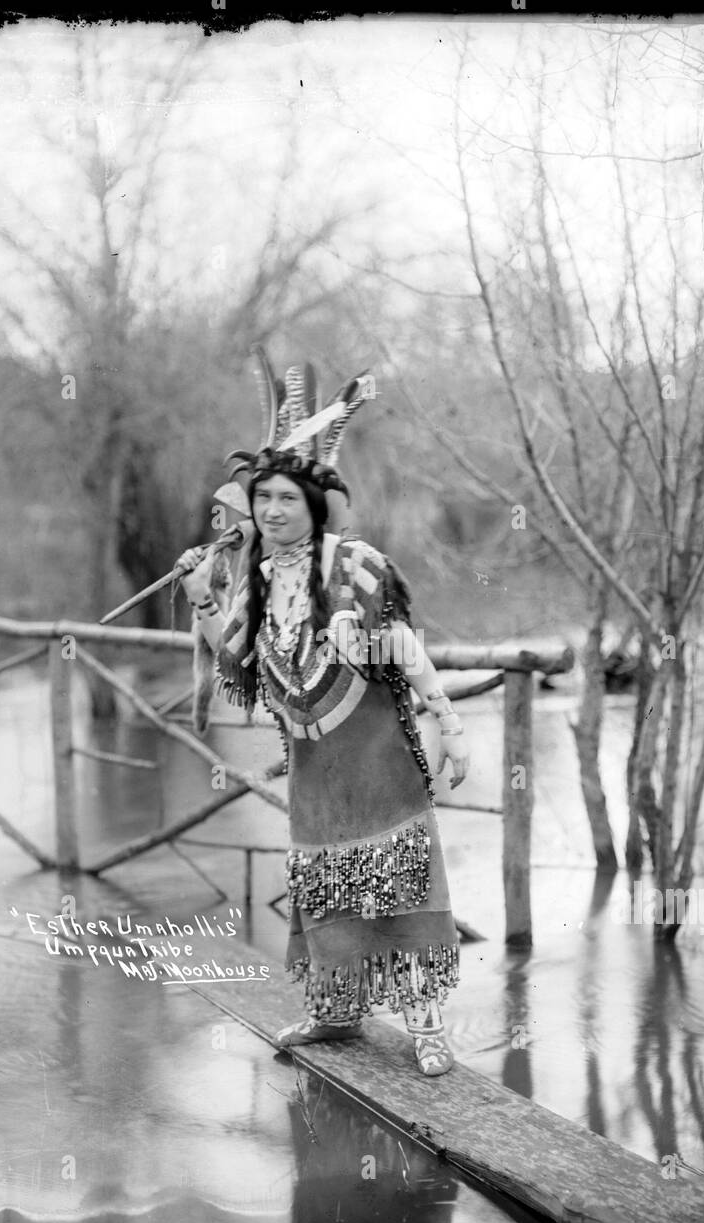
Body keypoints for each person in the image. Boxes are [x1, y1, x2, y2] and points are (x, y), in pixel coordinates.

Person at [175, 355, 469, 1076]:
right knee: (327, 887)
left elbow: (401, 648)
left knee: (397, 883)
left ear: (313, 506)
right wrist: (204, 599)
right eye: (264, 498)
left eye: (286, 500)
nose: (273, 511)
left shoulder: (357, 566)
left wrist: (449, 725)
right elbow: (239, 662)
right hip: (315, 772)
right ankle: (338, 1012)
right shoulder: (253, 580)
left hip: (375, 761)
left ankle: (426, 1025)